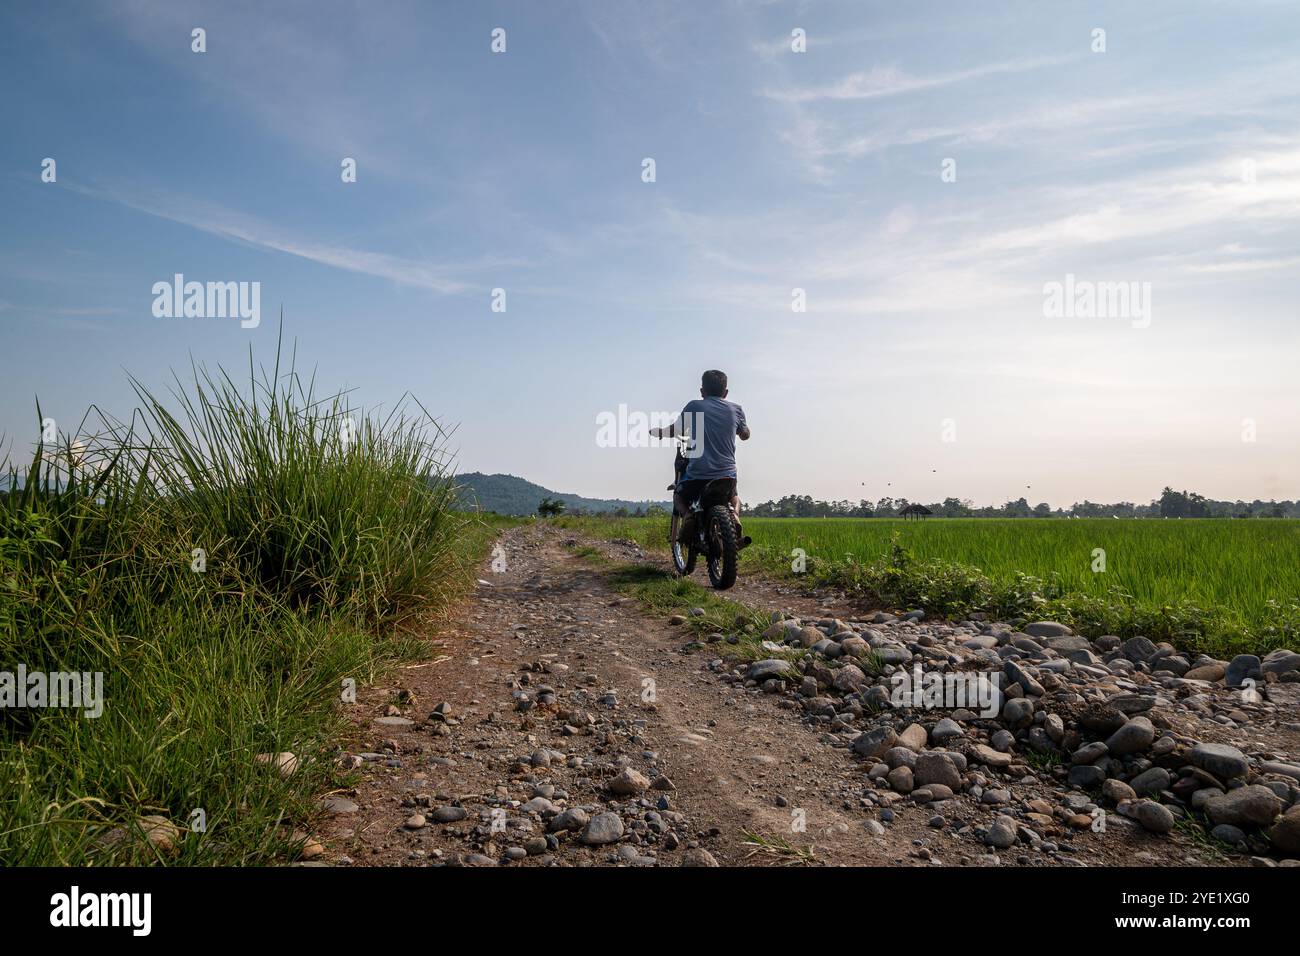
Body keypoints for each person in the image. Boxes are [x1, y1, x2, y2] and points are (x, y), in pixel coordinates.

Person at [650, 369, 751, 547]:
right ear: (725, 392)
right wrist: (742, 429)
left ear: (702, 391)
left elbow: (676, 430)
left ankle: (688, 516)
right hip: (727, 473)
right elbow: (745, 435)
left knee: (678, 496)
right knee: (734, 496)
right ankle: (735, 515)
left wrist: (659, 432)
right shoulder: (737, 410)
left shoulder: (694, 406)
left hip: (699, 474)